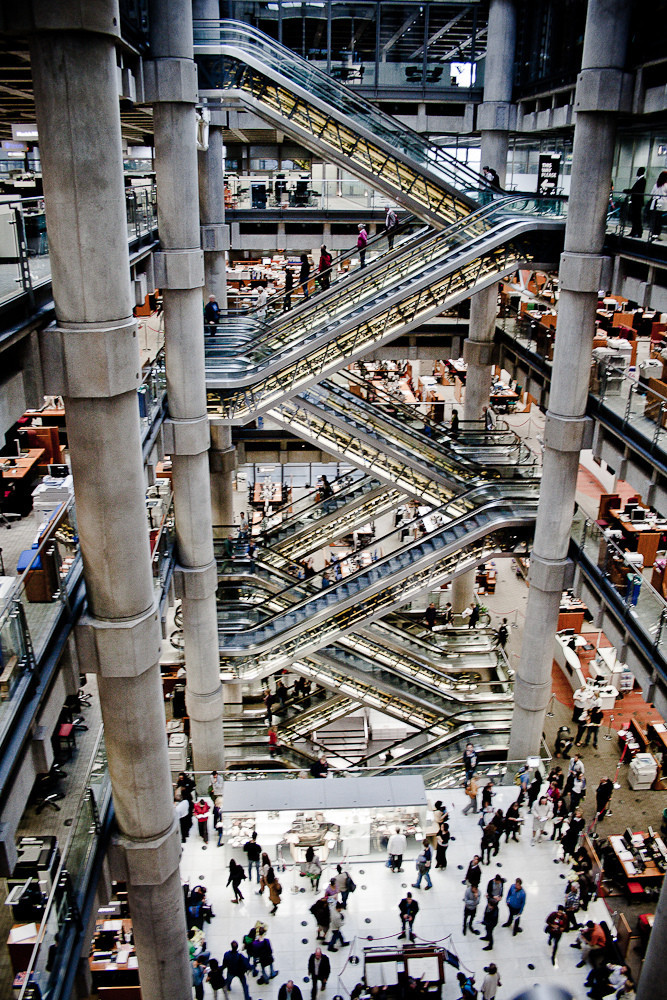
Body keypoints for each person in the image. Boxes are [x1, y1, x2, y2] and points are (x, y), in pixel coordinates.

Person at [624, 167, 646, 237]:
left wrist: (628, 191)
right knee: (635, 217)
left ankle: (638, 232)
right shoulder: (640, 180)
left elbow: (637, 191)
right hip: (635, 202)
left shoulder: (642, 180)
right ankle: (635, 231)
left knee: (637, 217)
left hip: (637, 202)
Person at [648, 170, 667, 240]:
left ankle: (653, 234)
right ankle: (657, 234)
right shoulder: (666, 185)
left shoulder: (656, 185)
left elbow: (651, 194)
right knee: (660, 221)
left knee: (655, 220)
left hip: (654, 204)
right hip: (662, 205)